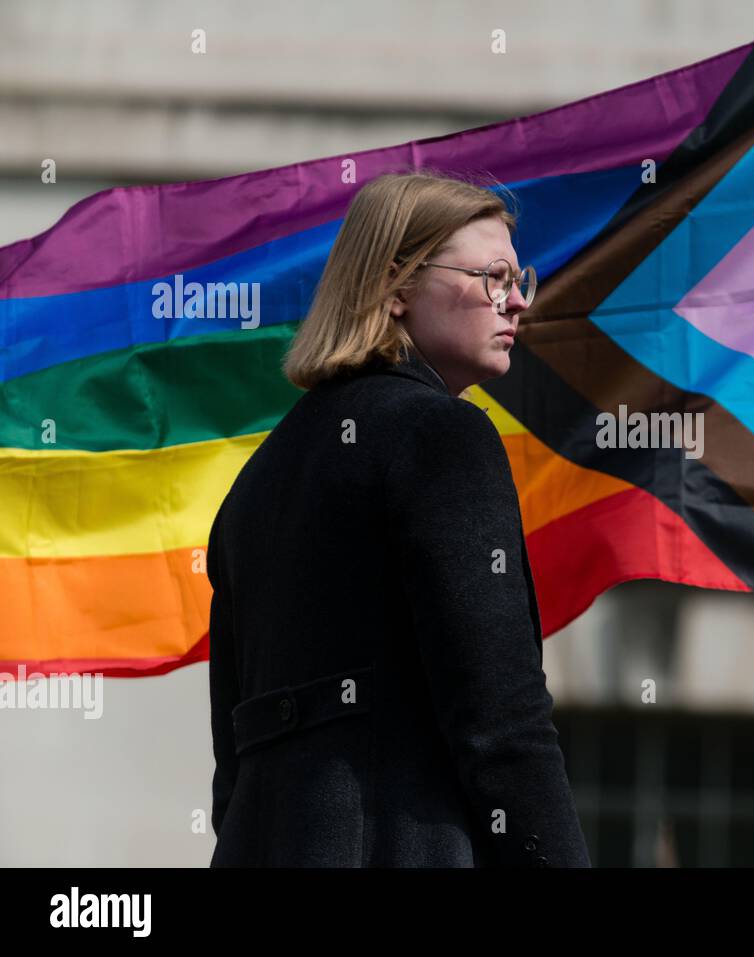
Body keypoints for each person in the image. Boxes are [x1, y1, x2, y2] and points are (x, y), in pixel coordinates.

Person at [206, 171, 590, 867]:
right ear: (396, 286)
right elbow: (502, 724)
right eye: (495, 277)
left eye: (521, 280)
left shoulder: (253, 484)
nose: (518, 303)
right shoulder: (442, 436)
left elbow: (233, 770)